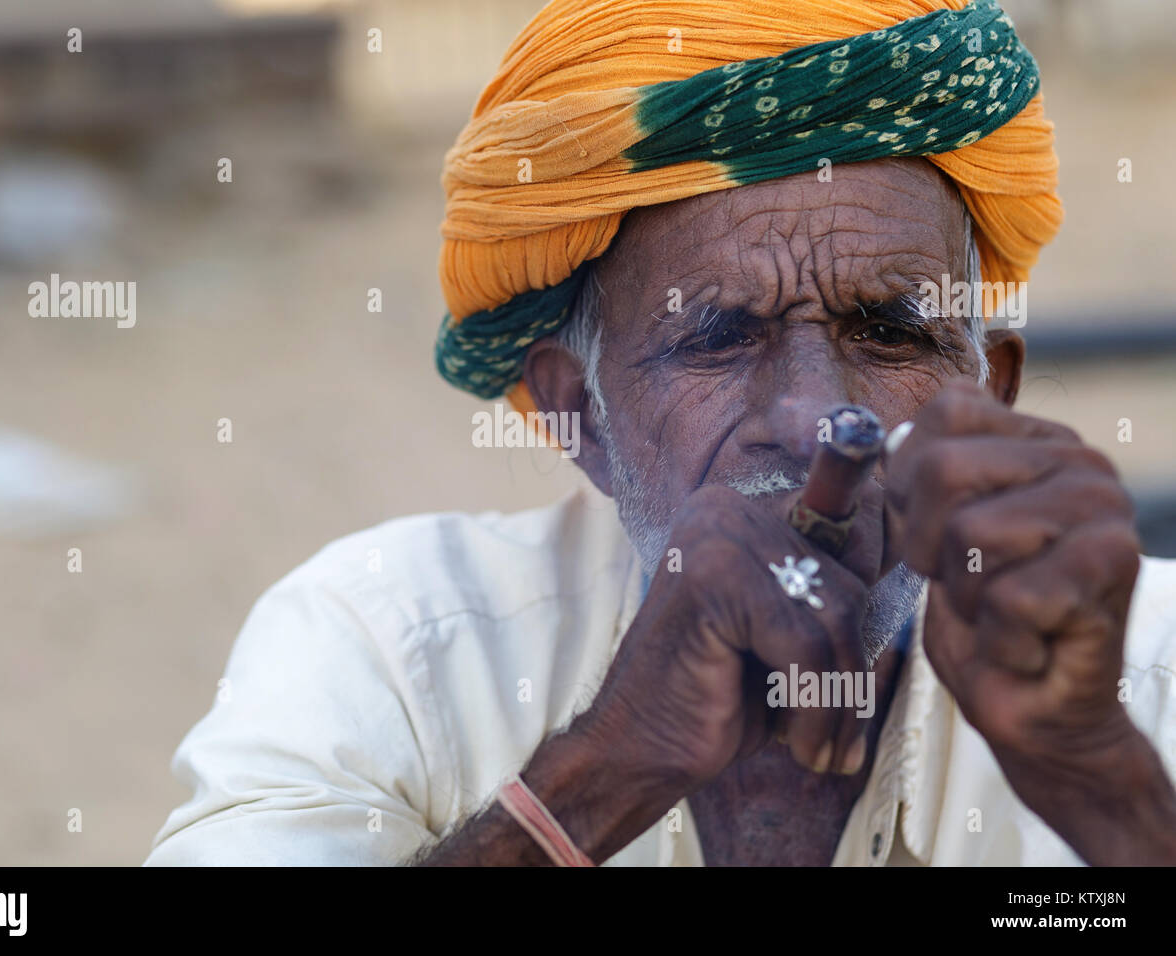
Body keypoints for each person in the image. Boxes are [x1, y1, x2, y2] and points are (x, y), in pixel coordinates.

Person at [145, 0, 1176, 866]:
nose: (816, 419)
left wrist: (1105, 790)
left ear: (984, 393)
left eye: (889, 330)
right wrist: (603, 769)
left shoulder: (1149, 668)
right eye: (720, 339)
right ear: (575, 412)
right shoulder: (390, 648)